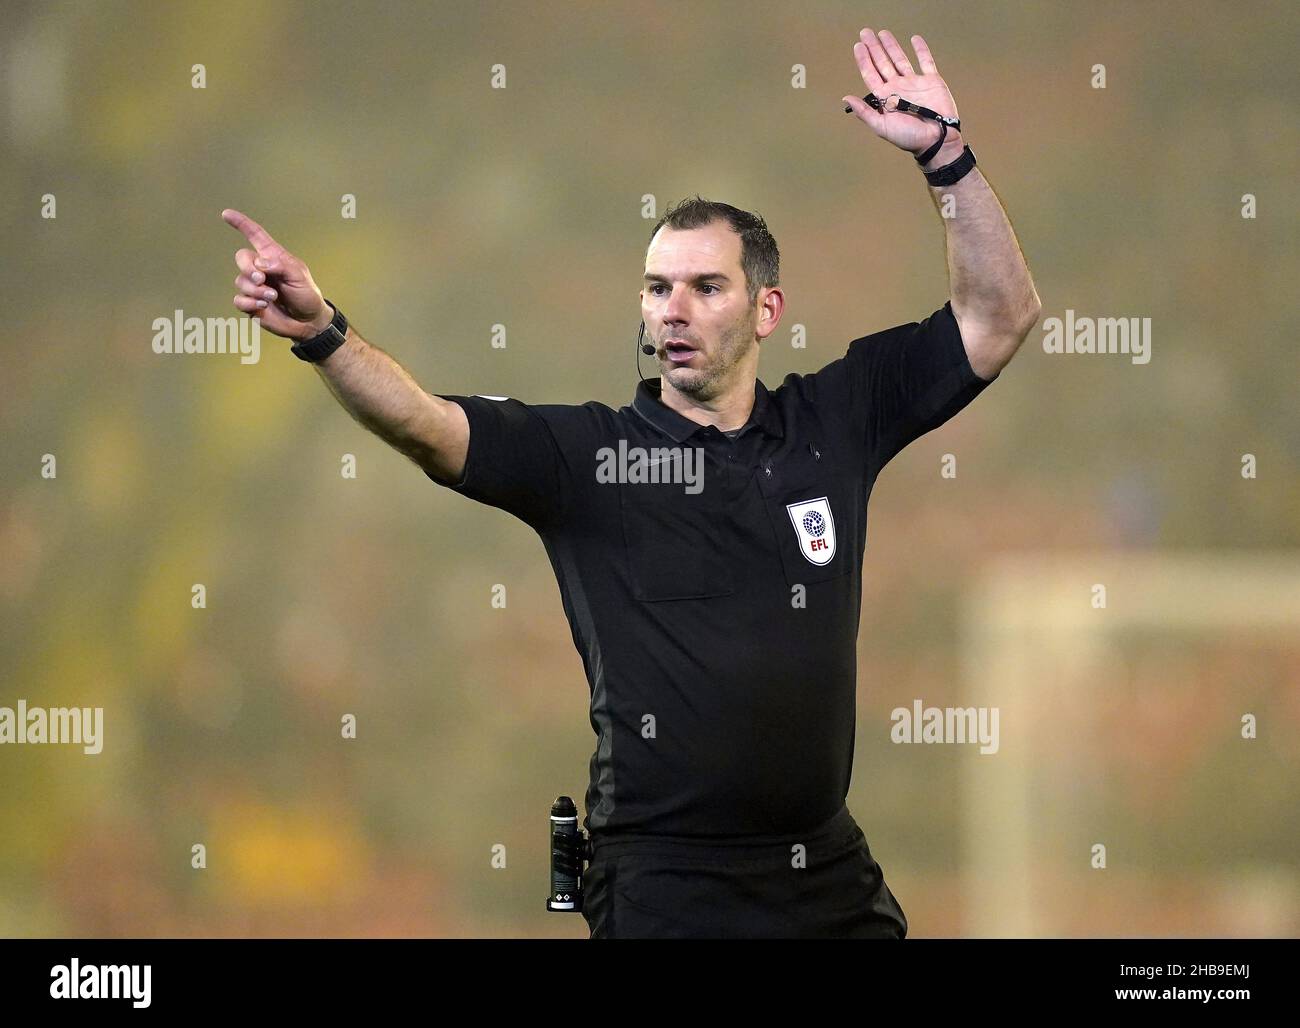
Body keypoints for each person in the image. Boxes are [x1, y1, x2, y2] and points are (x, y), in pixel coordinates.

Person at [221, 26, 1040, 938]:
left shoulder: (835, 422)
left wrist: (948, 158)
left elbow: (1000, 315)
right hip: (663, 878)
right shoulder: (588, 460)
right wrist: (324, 333)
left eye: (703, 287)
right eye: (656, 288)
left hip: (821, 869)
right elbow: (423, 421)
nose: (672, 310)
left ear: (768, 308)